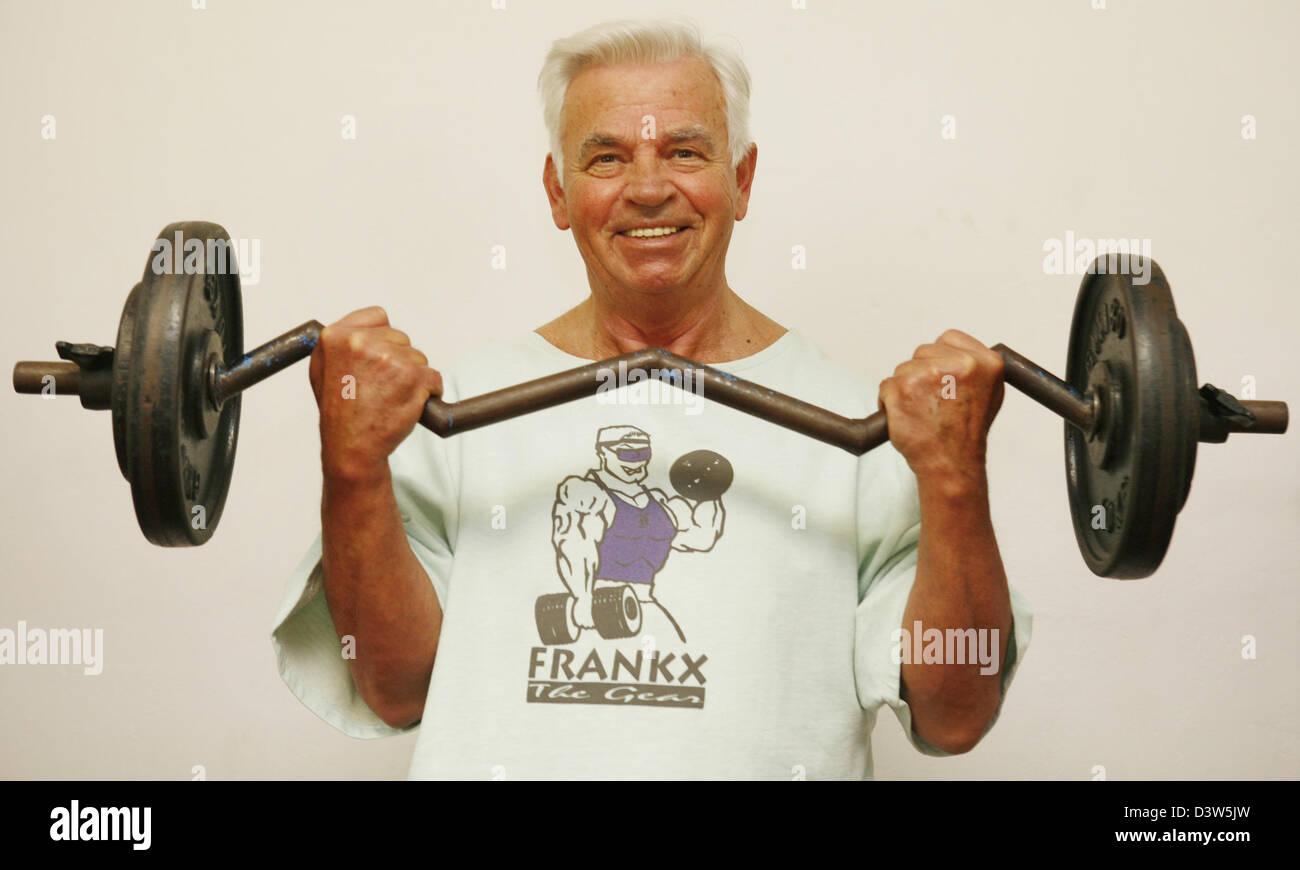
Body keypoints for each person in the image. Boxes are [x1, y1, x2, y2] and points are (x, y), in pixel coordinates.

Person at [272, 18, 1032, 780]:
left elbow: (956, 711)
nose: (646, 188)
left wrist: (954, 478)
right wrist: (352, 467)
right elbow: (394, 689)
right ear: (557, 191)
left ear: (741, 180)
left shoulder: (865, 434)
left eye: (684, 151)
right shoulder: (457, 412)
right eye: (606, 158)